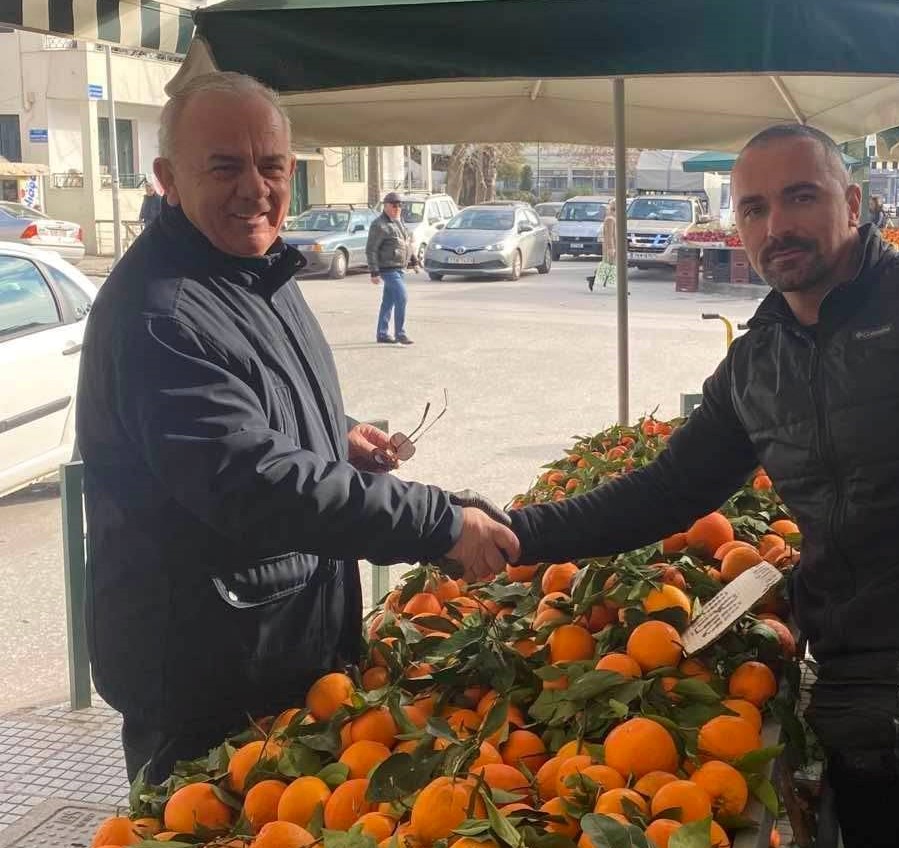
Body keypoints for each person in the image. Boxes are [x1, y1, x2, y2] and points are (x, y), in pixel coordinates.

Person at [506, 124, 899, 847]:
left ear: (853, 203)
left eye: (800, 197)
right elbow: (665, 491)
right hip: (859, 698)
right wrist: (516, 532)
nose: (777, 226)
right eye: (754, 208)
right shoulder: (757, 362)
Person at [76, 71, 518, 784]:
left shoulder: (250, 267)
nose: (255, 188)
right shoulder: (162, 314)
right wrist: (440, 524)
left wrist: (336, 432)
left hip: (278, 655)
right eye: (225, 167)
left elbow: (250, 403)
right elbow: (253, 480)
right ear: (168, 179)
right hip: (212, 681)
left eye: (273, 166)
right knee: (211, 823)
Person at [368, 192, 412, 344]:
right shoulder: (379, 225)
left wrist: (413, 260)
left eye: (400, 205)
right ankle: (400, 333)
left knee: (388, 301)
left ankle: (382, 334)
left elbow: (405, 243)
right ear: (386, 206)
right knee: (402, 297)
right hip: (388, 268)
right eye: (394, 205)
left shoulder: (399, 222)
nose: (397, 208)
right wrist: (374, 272)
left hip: (399, 268)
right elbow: (371, 249)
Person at [587, 199, 619, 291]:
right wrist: (611, 248)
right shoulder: (610, 219)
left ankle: (594, 279)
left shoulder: (613, 218)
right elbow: (609, 235)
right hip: (611, 247)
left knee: (610, 267)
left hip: (614, 246)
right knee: (610, 266)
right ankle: (621, 288)